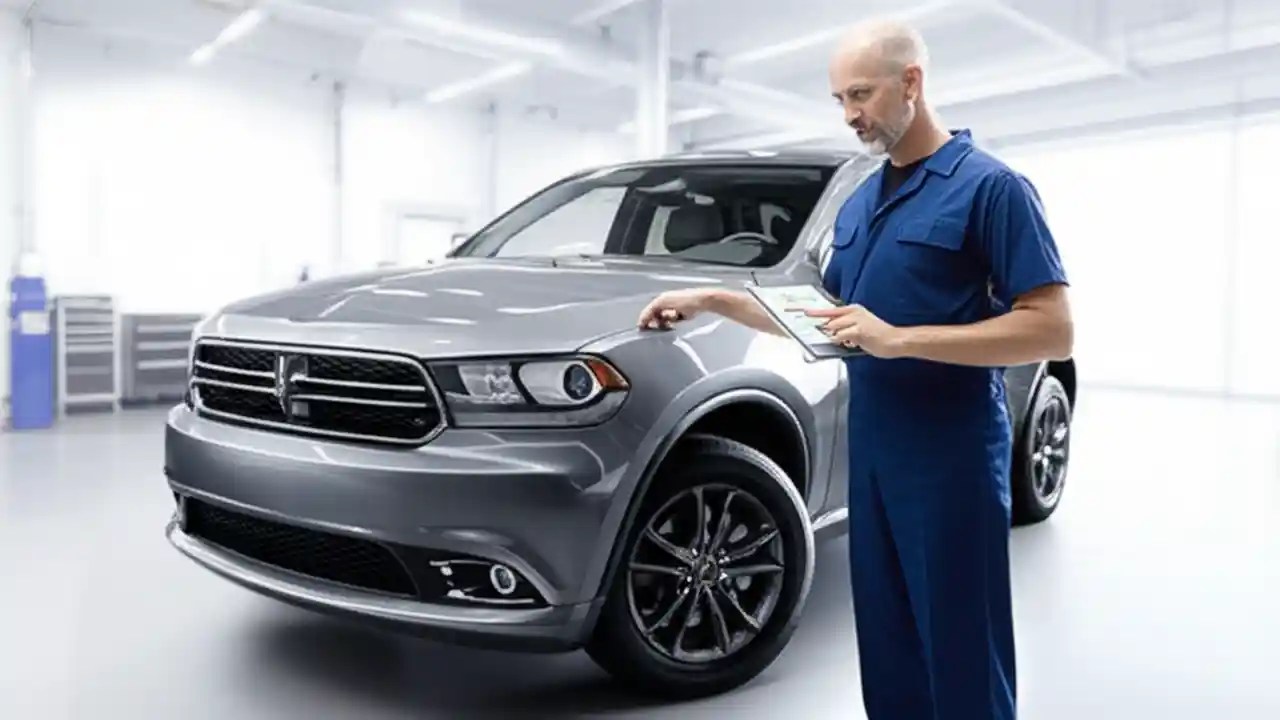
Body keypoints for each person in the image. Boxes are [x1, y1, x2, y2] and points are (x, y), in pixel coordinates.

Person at [635, 17, 1073, 720]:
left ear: (912, 83)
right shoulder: (864, 200)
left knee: (961, 641)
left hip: (951, 451)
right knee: (889, 642)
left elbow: (1051, 327)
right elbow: (825, 315)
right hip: (871, 448)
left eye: (861, 95)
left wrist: (900, 340)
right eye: (839, 99)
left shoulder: (993, 189)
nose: (850, 116)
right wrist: (712, 298)